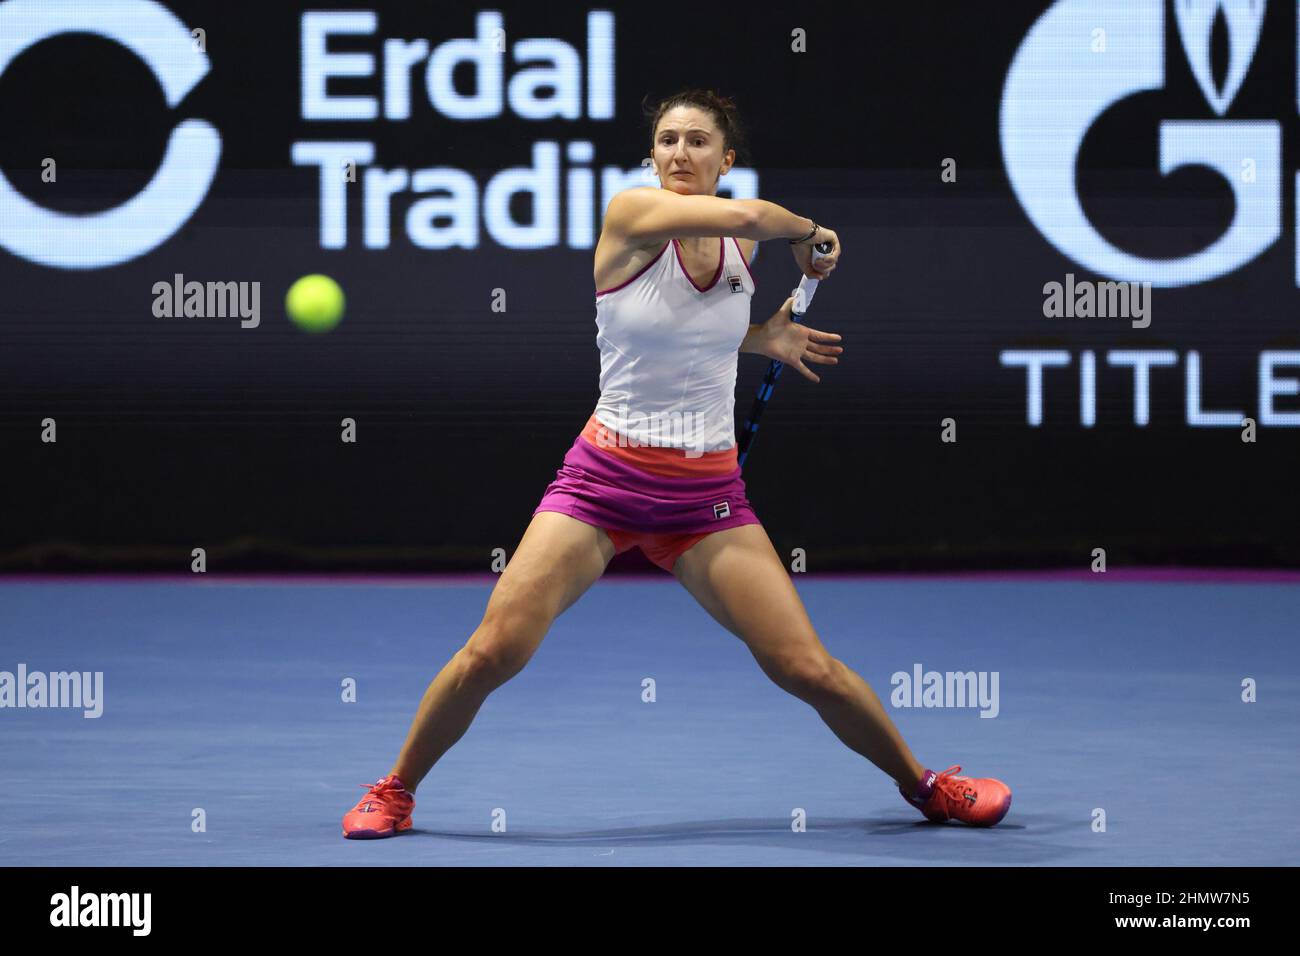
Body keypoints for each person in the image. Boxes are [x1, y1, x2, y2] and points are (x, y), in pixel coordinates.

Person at [342, 88, 1010, 839]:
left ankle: (927, 787)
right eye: (667, 140)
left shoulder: (742, 253)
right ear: (651, 155)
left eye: (698, 142)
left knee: (806, 669)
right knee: (492, 651)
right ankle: (396, 789)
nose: (679, 154)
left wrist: (763, 338)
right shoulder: (633, 216)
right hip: (601, 485)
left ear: (727, 159)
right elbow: (753, 215)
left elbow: (696, 329)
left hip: (707, 499)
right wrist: (816, 231)